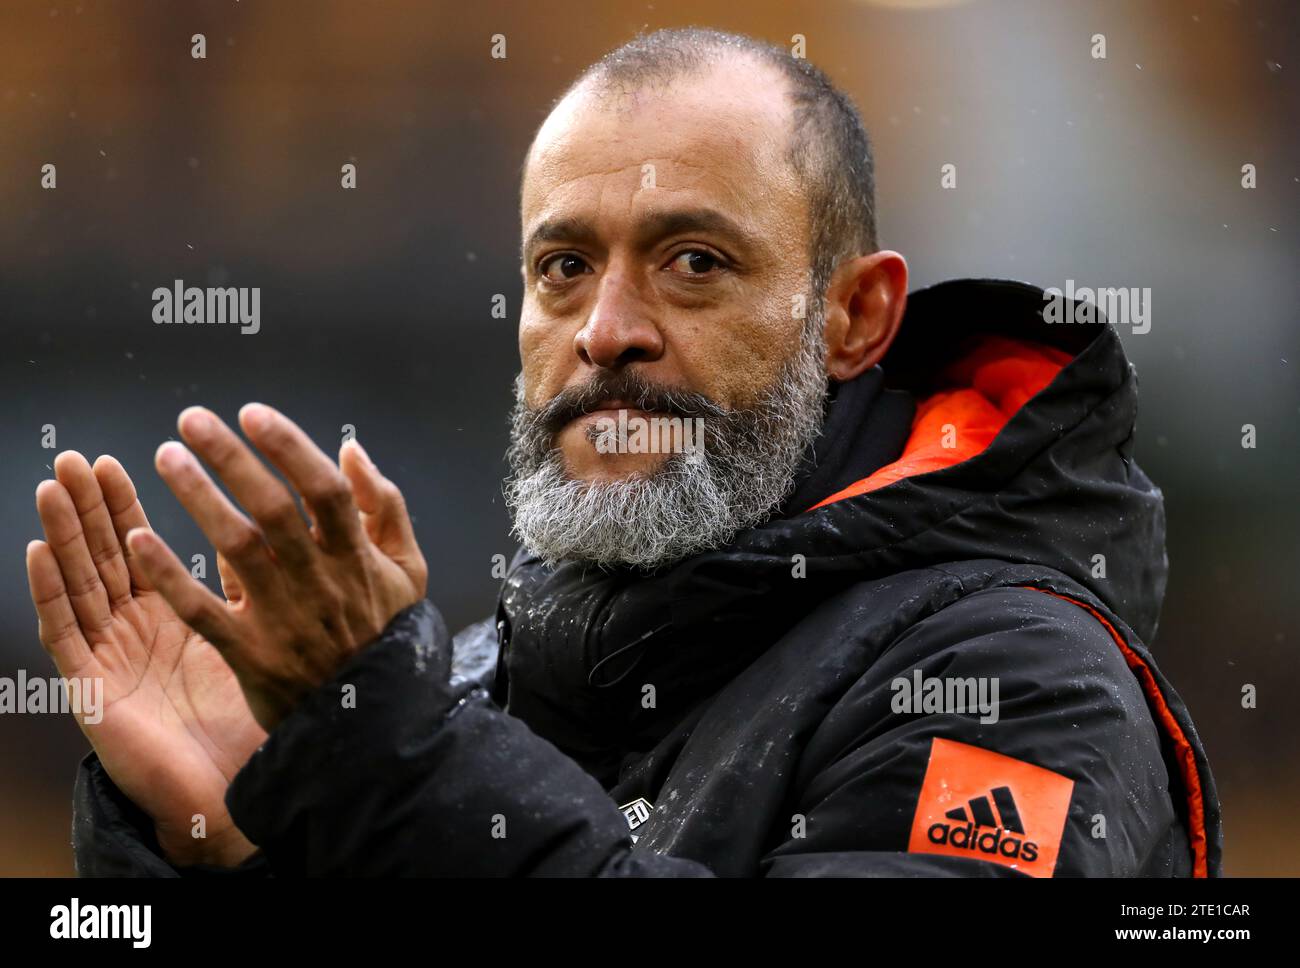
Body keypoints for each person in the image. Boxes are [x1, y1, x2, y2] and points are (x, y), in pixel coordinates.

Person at [27, 27, 1221, 877]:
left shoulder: (1013, 678)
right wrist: (240, 842)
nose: (606, 332)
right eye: (562, 268)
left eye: (694, 261)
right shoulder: (465, 684)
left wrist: (391, 771)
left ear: (854, 317)